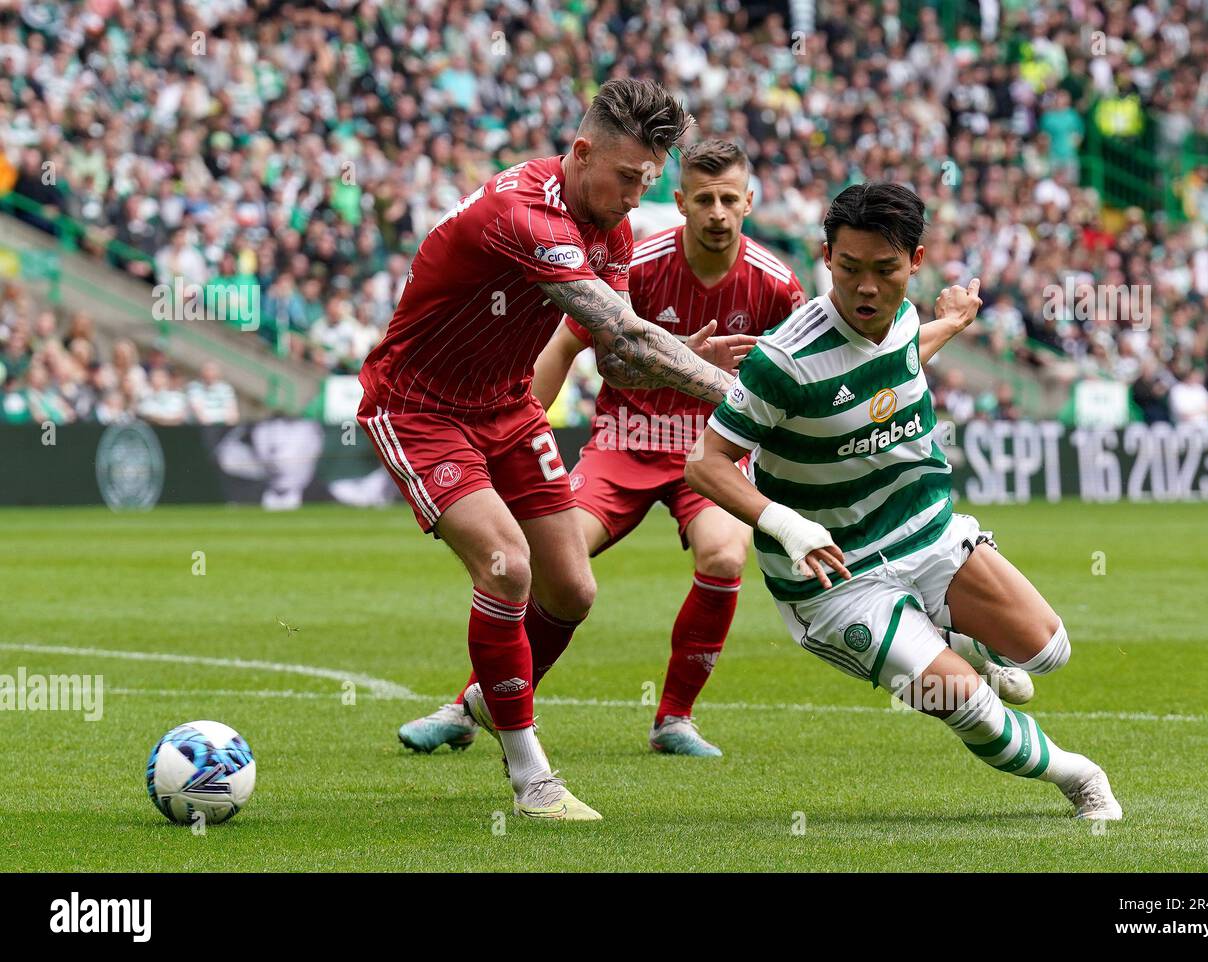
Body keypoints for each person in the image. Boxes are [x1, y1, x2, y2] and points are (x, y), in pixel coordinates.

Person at [356, 79, 748, 821]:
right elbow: (627, 335)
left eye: (647, 181)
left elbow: (618, 359)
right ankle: (532, 779)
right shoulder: (525, 213)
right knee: (507, 566)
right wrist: (733, 393)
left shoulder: (611, 228)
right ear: (581, 151)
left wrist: (684, 358)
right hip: (419, 407)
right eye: (626, 177)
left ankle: (482, 698)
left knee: (571, 591)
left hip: (506, 406)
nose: (635, 196)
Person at [684, 183, 1122, 820]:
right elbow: (706, 463)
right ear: (826, 257)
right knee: (969, 706)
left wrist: (956, 321)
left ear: (915, 262)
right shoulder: (785, 359)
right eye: (849, 267)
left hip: (925, 532)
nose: (866, 288)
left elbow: (906, 352)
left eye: (885, 270)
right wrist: (786, 525)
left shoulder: (907, 318)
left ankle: (958, 641)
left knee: (1048, 651)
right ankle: (1081, 777)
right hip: (834, 576)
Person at [396, 140, 801, 758]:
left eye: (729, 199)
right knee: (554, 567)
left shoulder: (777, 286)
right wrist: (515, 438)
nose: (717, 213)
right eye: (705, 199)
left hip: (711, 451)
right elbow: (565, 346)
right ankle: (470, 704)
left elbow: (795, 379)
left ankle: (673, 720)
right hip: (623, 441)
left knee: (724, 555)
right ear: (681, 202)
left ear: (748, 202)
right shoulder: (639, 262)